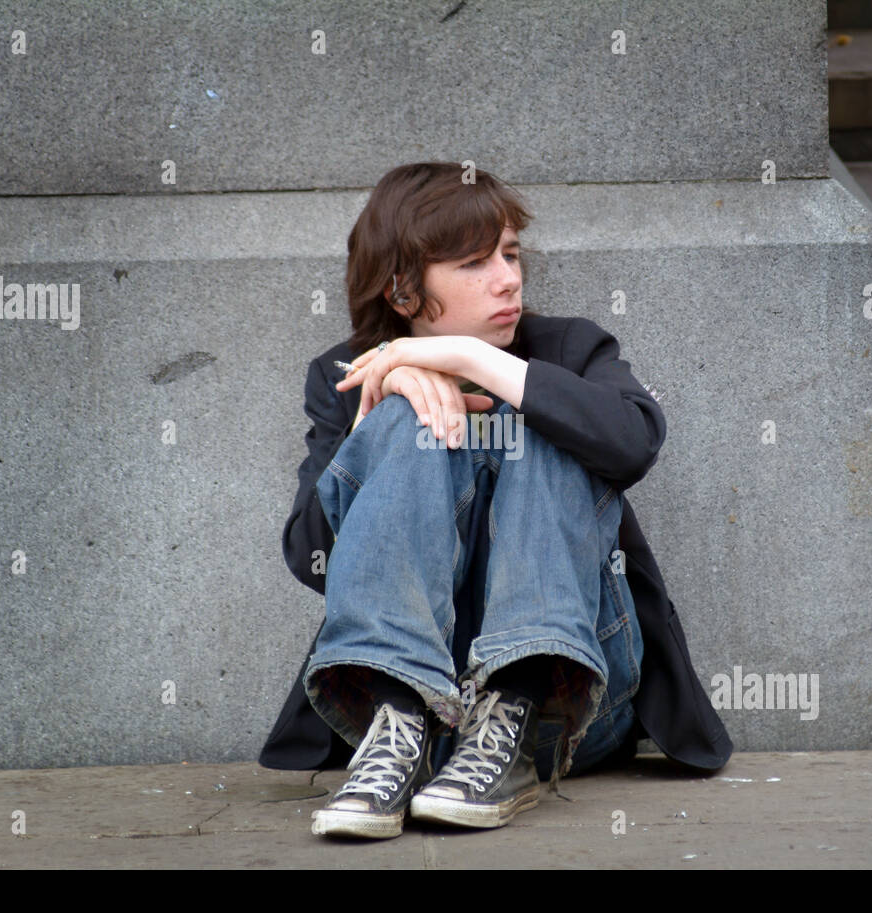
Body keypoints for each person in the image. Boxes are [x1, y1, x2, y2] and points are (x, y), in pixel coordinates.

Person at [265, 162, 733, 840]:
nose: (508, 278)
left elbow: (633, 440)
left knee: (536, 415)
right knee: (407, 418)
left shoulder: (568, 348)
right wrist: (383, 406)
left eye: (510, 254)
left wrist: (479, 364)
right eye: (475, 262)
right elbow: (311, 558)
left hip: (572, 701)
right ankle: (398, 726)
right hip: (425, 710)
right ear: (401, 289)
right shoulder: (346, 374)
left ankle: (517, 712)